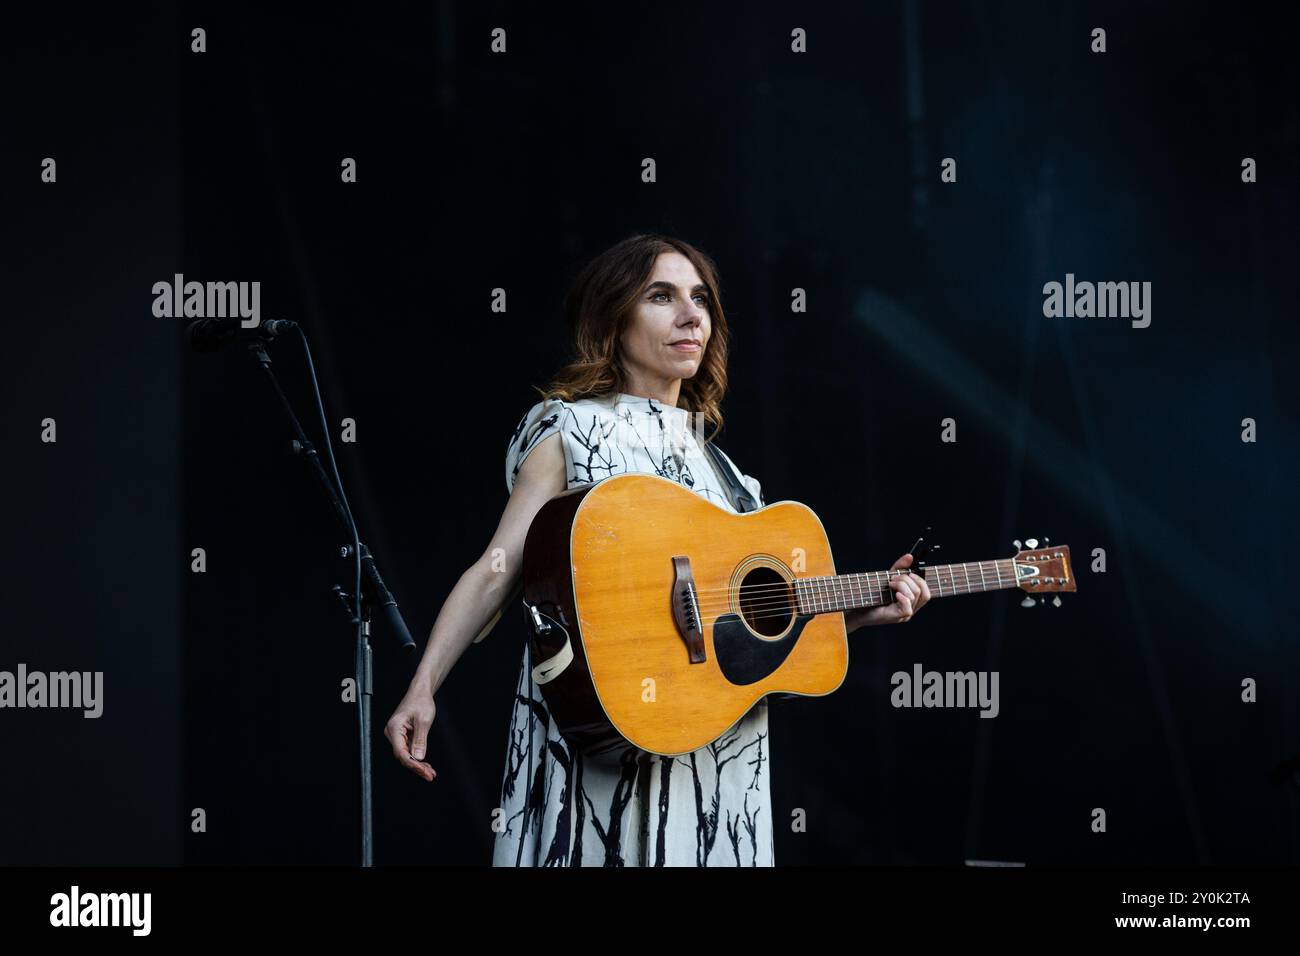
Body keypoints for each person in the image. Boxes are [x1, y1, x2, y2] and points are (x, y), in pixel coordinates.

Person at [384, 234, 931, 866]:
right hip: (598, 747)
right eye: (661, 296)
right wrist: (423, 686)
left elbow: (758, 636)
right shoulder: (574, 429)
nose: (691, 315)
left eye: (700, 299)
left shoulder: (730, 478)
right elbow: (495, 571)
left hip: (718, 772)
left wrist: (860, 611)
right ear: (615, 319)